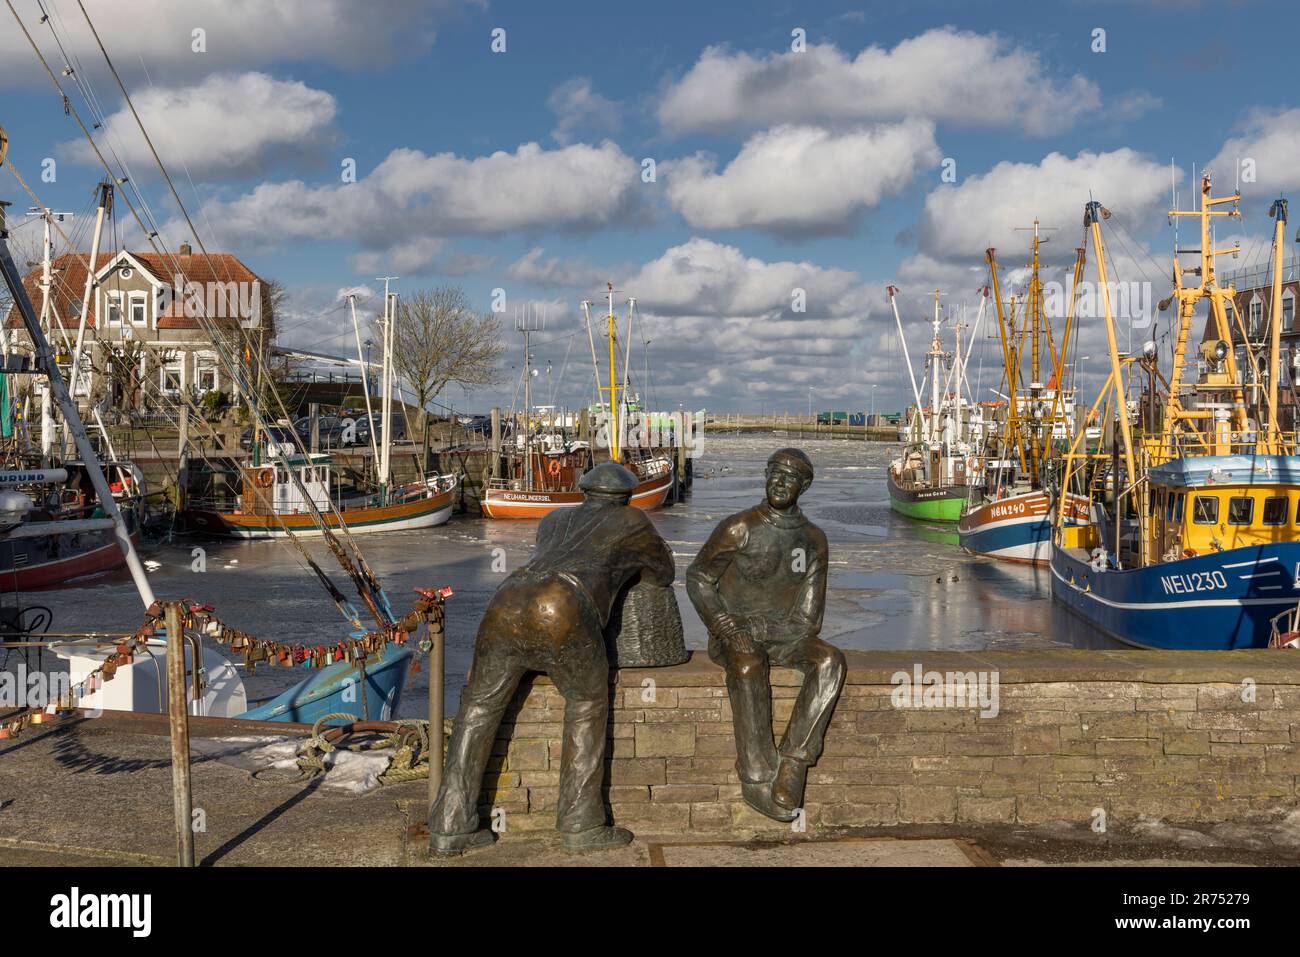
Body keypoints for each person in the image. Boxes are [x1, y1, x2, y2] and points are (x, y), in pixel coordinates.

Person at [429, 461, 675, 855]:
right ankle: (581, 824)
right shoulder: (634, 521)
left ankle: (450, 825)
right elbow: (663, 573)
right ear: (626, 496)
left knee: (478, 708)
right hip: (562, 605)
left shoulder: (554, 517)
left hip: (507, 599)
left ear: (585, 491)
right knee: (587, 702)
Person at [686, 448, 845, 819]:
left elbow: (809, 616)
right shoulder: (738, 527)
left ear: (804, 486)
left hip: (785, 634)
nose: (779, 482)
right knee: (747, 665)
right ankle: (756, 776)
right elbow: (699, 577)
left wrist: (775, 629)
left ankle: (793, 763)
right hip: (735, 634)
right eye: (774, 473)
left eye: (790, 477)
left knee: (830, 660)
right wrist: (724, 624)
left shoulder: (813, 540)